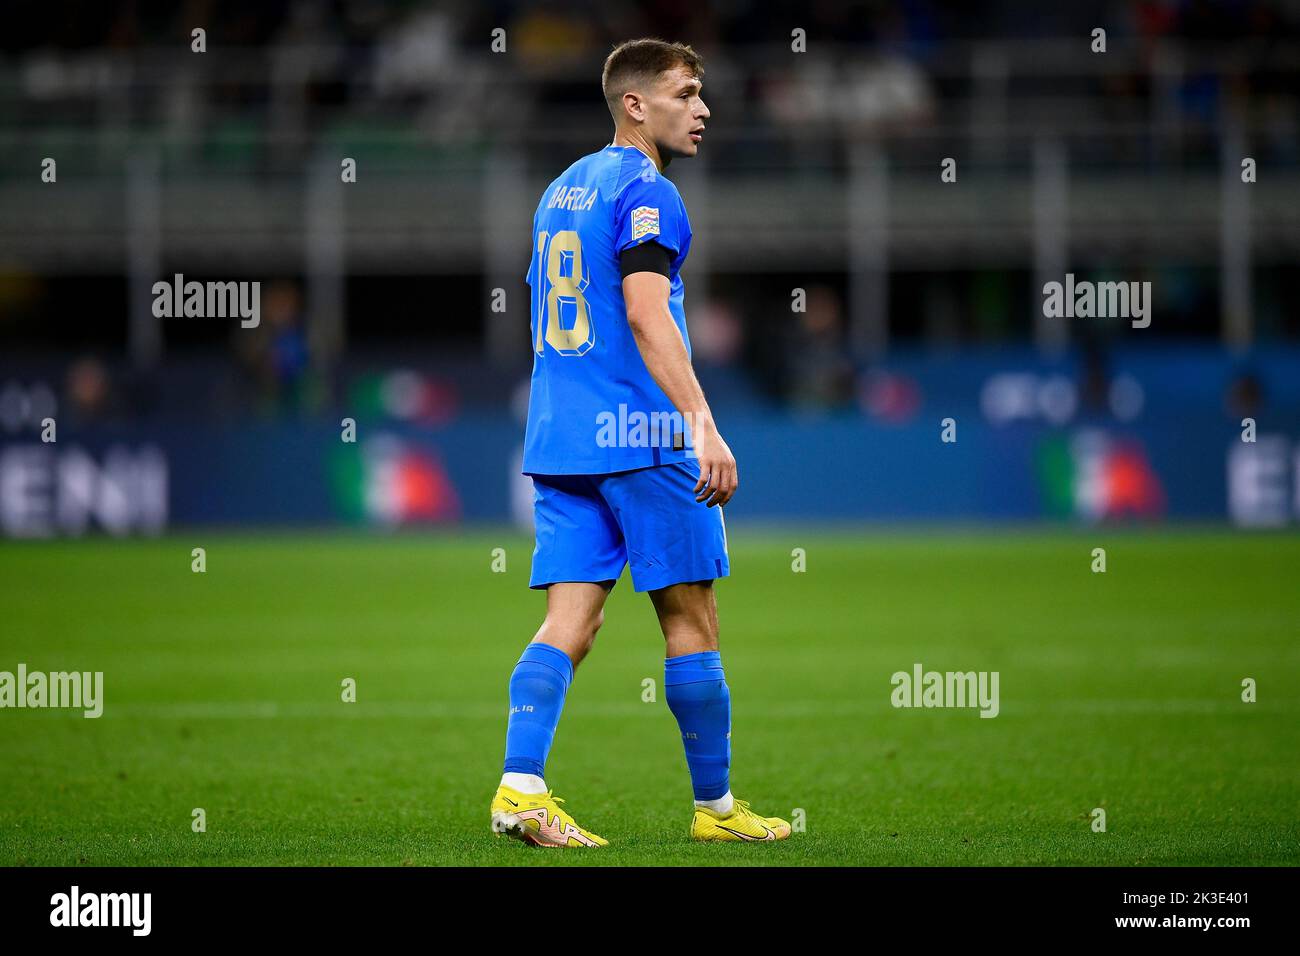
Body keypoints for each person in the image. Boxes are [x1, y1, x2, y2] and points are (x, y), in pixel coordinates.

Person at [489, 38, 790, 847]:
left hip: (562, 440)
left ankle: (521, 787)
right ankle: (717, 811)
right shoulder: (645, 187)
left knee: (569, 624)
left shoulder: (559, 189)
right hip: (643, 437)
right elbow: (646, 310)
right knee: (691, 617)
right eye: (686, 93)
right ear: (635, 104)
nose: (702, 109)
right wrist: (701, 421)